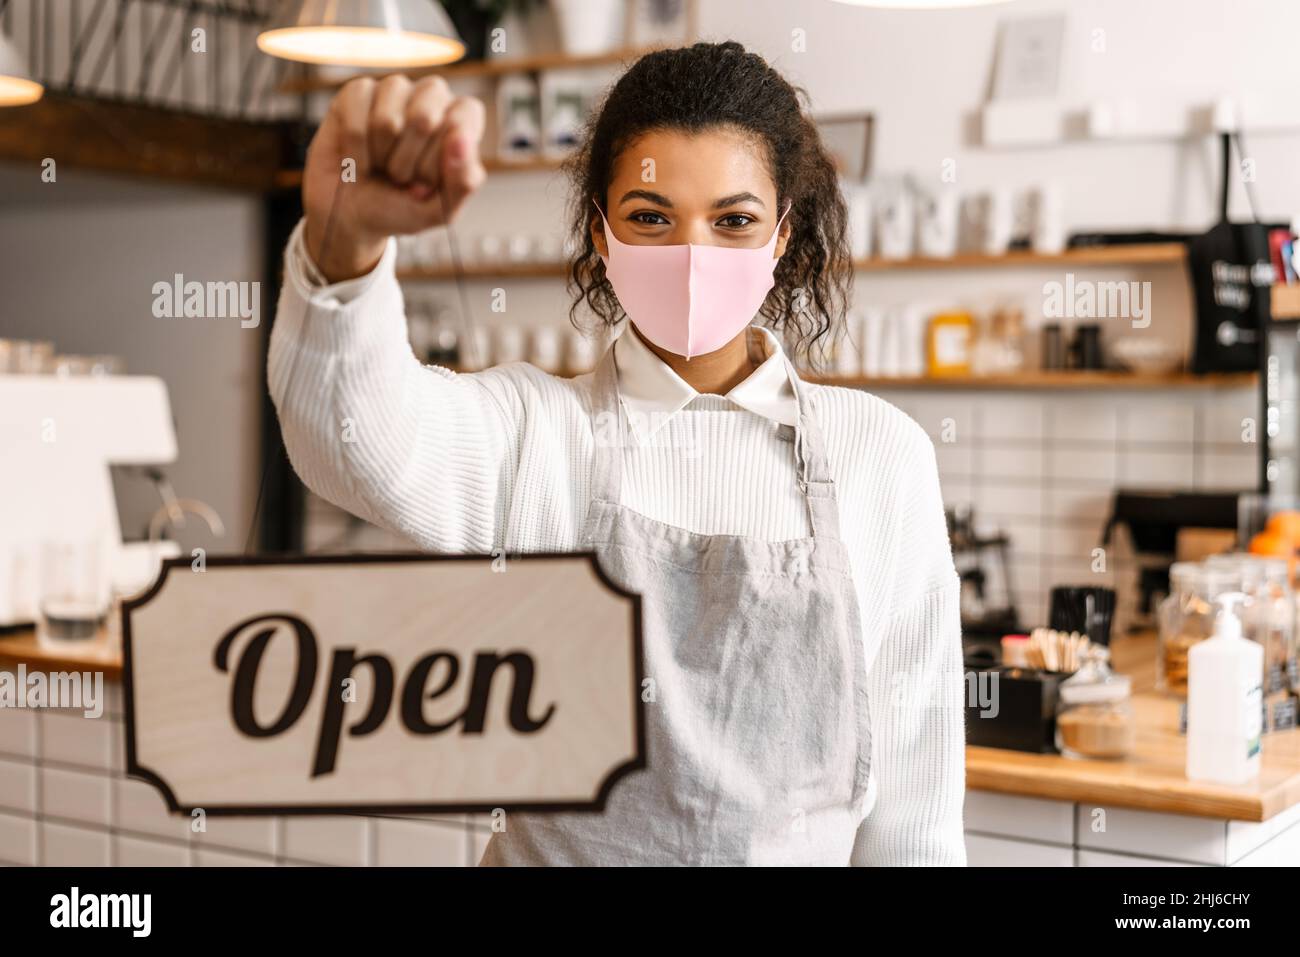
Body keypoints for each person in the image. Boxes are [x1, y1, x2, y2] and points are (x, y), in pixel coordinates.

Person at [270, 41, 965, 866]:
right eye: (650, 216)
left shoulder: (880, 456)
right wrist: (343, 246)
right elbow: (352, 440)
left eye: (733, 221)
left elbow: (914, 821)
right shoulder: (536, 432)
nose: (692, 252)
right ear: (602, 232)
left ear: (782, 236)